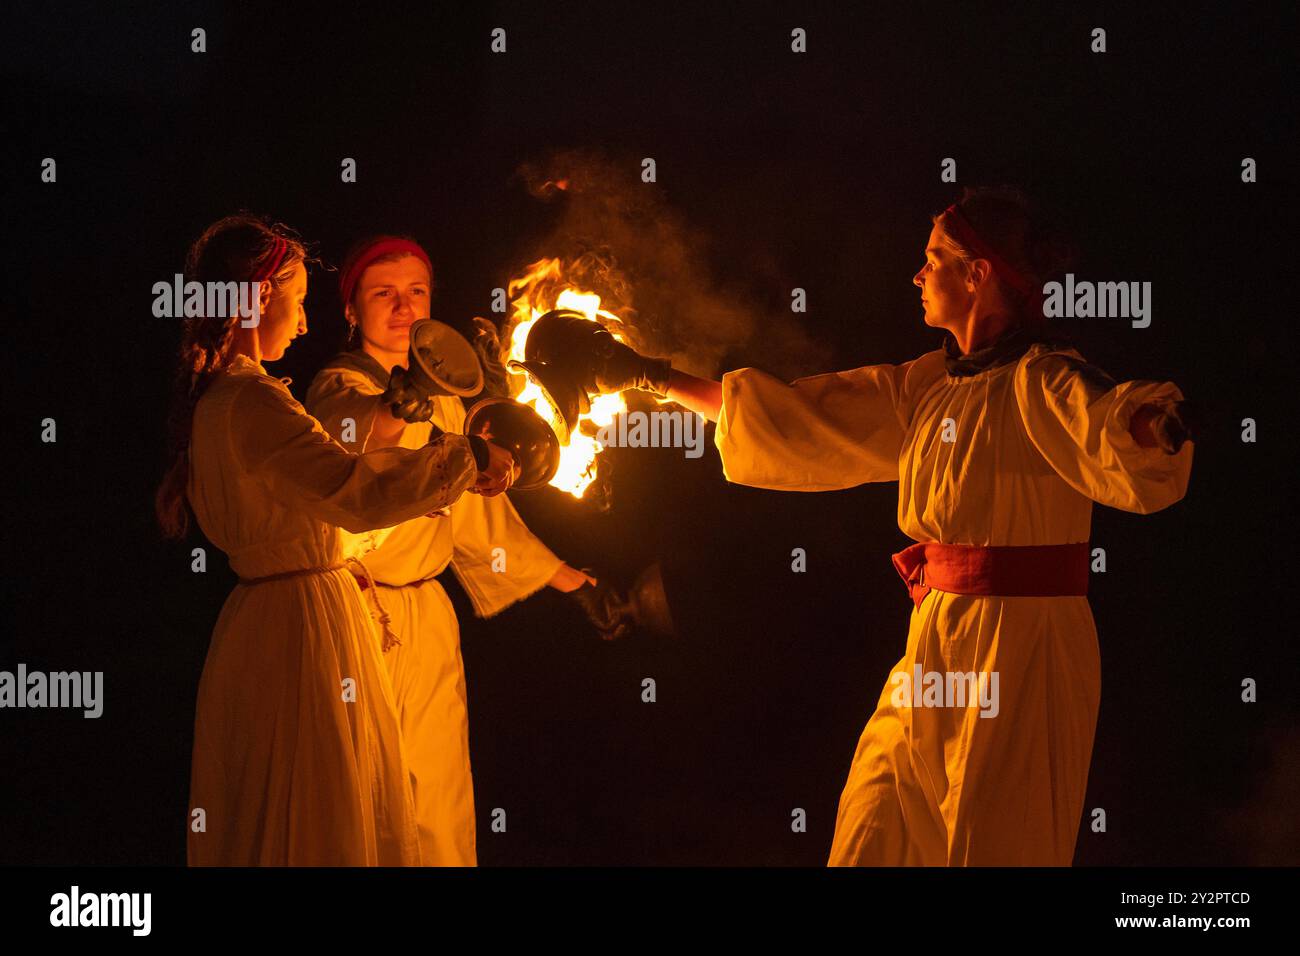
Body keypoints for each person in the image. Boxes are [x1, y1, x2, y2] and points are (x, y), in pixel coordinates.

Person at [587, 186, 1196, 865]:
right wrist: (644, 375)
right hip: (933, 640)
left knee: (994, 845)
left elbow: (1105, 420)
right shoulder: (929, 386)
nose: (917, 273)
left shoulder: (1040, 377)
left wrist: (1150, 425)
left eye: (934, 258)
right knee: (874, 833)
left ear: (978, 273)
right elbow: (801, 420)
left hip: (1021, 647)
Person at [155, 214, 517, 866]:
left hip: (267, 625)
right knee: (317, 807)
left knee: (283, 807)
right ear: (256, 298)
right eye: (295, 301)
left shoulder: (222, 399)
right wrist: (467, 460)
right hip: (303, 631)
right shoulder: (253, 401)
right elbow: (350, 492)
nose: (300, 324)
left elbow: (331, 503)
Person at [305, 235, 624, 866]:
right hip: (351, 623)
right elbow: (351, 441)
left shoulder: (447, 400)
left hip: (424, 623)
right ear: (351, 309)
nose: (403, 306)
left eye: (417, 292)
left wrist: (575, 584)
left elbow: (479, 520)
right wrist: (401, 405)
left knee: (438, 802)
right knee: (358, 797)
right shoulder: (338, 386)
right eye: (384, 293)